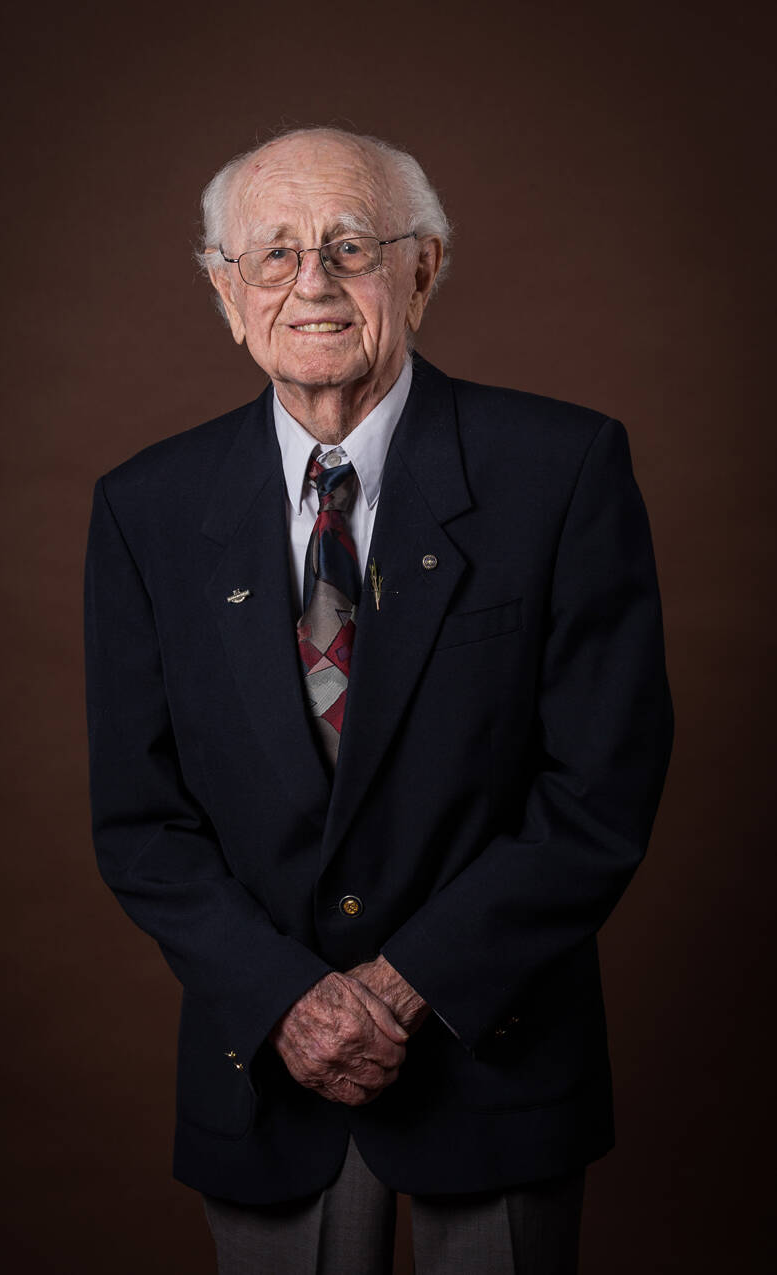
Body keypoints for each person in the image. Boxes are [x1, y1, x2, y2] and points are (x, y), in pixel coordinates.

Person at [83, 126, 674, 1274]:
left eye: (351, 248)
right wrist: (289, 1002)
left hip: (495, 1053)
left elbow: (601, 793)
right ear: (222, 286)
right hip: (263, 1071)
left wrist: (402, 990)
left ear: (424, 267)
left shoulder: (561, 470)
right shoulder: (144, 507)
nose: (311, 285)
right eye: (272, 255)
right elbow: (139, 822)